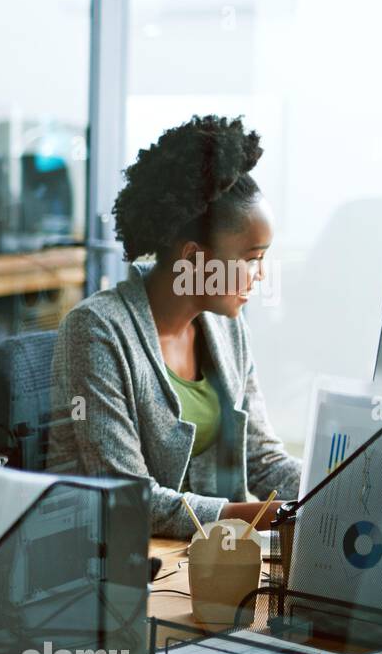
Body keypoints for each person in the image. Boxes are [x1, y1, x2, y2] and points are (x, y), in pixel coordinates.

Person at [48, 115, 300, 538]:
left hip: (204, 560)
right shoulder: (96, 332)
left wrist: (332, 492)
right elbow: (129, 498)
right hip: (119, 566)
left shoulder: (227, 329)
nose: (259, 275)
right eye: (251, 258)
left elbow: (263, 459)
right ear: (193, 258)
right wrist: (259, 516)